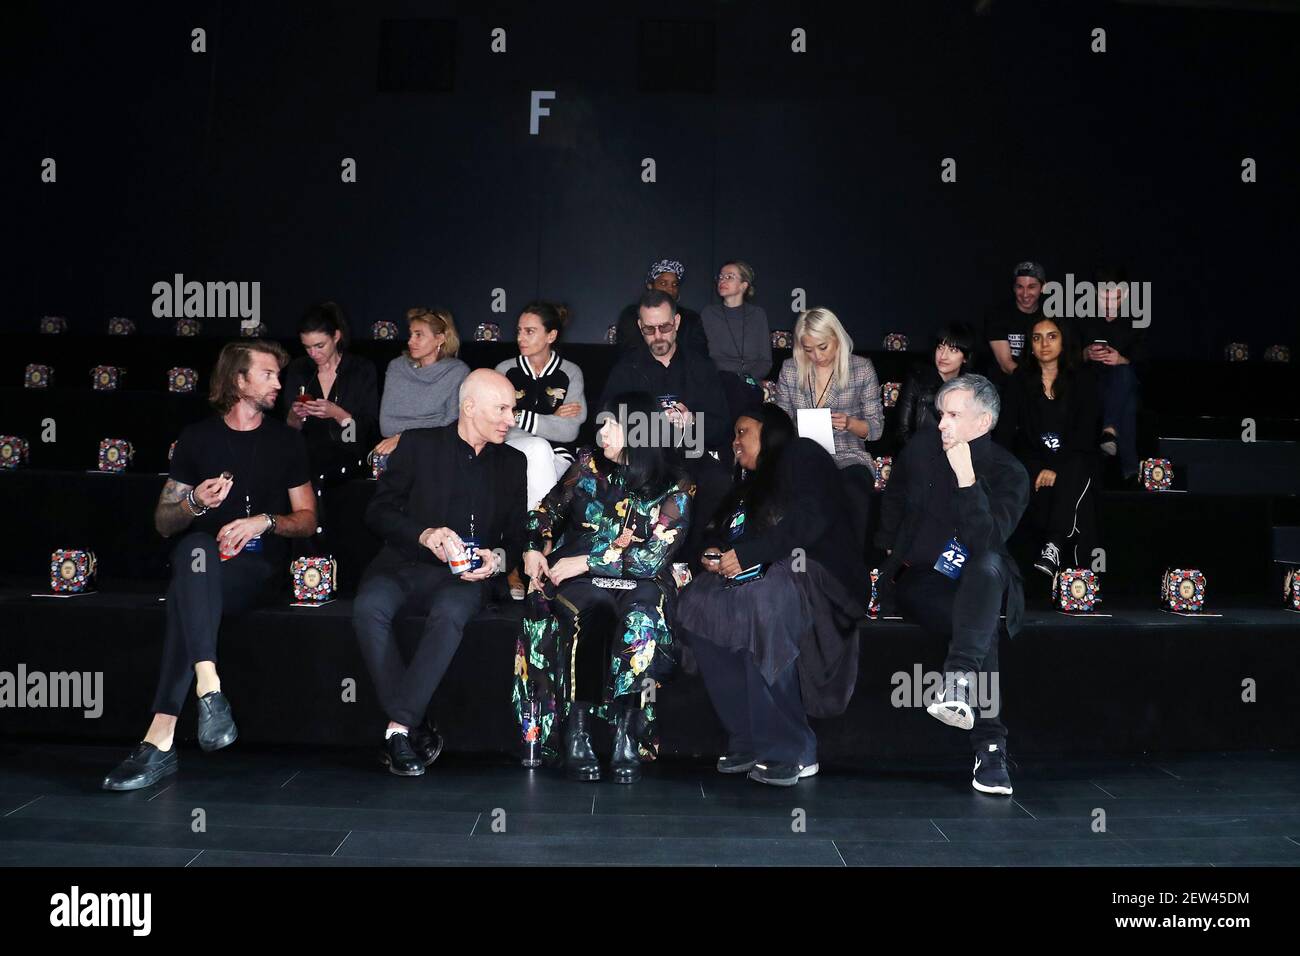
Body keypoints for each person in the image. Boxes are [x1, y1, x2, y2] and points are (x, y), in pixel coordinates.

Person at [102, 341, 318, 791]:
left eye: (279, 375)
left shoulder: (286, 442)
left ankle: (162, 736)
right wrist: (196, 502)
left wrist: (266, 521)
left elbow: (309, 521)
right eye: (268, 375)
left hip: (255, 570)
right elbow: (164, 522)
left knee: (187, 588)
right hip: (203, 565)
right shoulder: (198, 438)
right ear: (238, 381)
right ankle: (205, 692)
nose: (279, 383)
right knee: (194, 548)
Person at [678, 404, 867, 787]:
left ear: (771, 431)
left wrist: (748, 555)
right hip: (763, 573)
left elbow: (809, 521)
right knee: (698, 601)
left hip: (815, 572)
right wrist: (713, 553)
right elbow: (719, 528)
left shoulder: (803, 455)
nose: (734, 442)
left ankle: (793, 748)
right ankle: (747, 738)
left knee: (763, 601)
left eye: (742, 431)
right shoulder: (749, 482)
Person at [352, 370, 527, 777]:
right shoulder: (418, 445)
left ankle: (399, 728)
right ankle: (416, 720)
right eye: (502, 408)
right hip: (404, 565)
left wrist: (497, 558)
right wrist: (423, 533)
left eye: (513, 409)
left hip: (465, 579)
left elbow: (519, 533)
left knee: (450, 614)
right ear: (469, 408)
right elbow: (377, 512)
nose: (511, 419)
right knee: (368, 608)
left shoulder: (512, 462)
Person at [512, 393, 693, 784]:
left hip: (641, 579)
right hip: (583, 583)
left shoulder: (676, 486)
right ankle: (576, 733)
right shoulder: (587, 466)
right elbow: (545, 512)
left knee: (641, 621)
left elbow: (651, 559)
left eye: (611, 424)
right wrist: (532, 548)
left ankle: (626, 735)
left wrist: (587, 561)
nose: (602, 432)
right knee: (592, 612)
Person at [878, 374, 1029, 796]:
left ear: (983, 423)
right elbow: (892, 503)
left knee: (985, 573)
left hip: (982, 574)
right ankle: (991, 746)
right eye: (941, 413)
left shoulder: (1008, 472)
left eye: (953, 415)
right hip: (924, 580)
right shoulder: (921, 450)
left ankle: (961, 681)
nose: (941, 423)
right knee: (977, 626)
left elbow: (985, 541)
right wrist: (882, 560)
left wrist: (966, 478)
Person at [600, 289, 733, 556]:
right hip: (643, 456)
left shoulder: (701, 366)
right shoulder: (627, 369)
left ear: (678, 322)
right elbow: (604, 421)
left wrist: (692, 422)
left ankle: (689, 558)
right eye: (649, 330)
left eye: (665, 327)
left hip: (690, 452)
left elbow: (722, 427)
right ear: (639, 327)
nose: (658, 336)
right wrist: (644, 428)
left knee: (716, 480)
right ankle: (637, 556)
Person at [994, 315, 1101, 578]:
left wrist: (1054, 466)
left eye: (1052, 336)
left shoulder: (1082, 380)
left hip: (1073, 456)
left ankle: (1054, 543)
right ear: (1030, 345)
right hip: (1033, 458)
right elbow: (1006, 429)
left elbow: (1086, 433)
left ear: (1063, 342)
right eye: (1037, 338)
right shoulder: (1020, 379)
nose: (1044, 344)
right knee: (1022, 469)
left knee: (1076, 468)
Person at [772, 307, 884, 552]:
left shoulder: (861, 368)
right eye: (808, 349)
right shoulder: (791, 369)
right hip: (802, 455)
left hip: (848, 456)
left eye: (823, 347)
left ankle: (850, 565)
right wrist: (796, 428)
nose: (816, 356)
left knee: (854, 495)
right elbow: (778, 422)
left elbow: (876, 428)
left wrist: (850, 423)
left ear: (837, 338)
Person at [495, 301, 588, 508]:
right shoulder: (505, 370)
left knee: (540, 454)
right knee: (537, 448)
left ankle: (534, 532)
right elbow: (495, 422)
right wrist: (551, 420)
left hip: (558, 457)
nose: (520, 338)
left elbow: (569, 432)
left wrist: (517, 416)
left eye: (529, 331)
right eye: (519, 331)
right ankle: (542, 534)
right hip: (512, 451)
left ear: (551, 336)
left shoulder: (570, 372)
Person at [282, 301, 379, 478]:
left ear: (336, 336)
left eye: (320, 346)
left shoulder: (361, 369)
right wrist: (295, 416)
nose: (313, 353)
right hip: (306, 464)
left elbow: (367, 431)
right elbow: (290, 429)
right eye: (307, 347)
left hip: (350, 466)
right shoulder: (299, 369)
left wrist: (338, 414)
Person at [374, 307, 470, 457]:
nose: (411, 341)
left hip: (437, 449)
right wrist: (430, 424)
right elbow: (386, 426)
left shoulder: (457, 372)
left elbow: (452, 425)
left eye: (419, 335)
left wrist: (404, 437)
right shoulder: (397, 367)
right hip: (396, 450)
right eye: (411, 334)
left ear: (440, 338)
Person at [1079, 266, 1145, 483]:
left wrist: (1121, 359)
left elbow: (1145, 360)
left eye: (1114, 299)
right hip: (1092, 383)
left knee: (1124, 374)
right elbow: (1068, 357)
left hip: (1123, 382)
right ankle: (1130, 469)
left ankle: (1109, 430)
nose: (1108, 305)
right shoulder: (1083, 317)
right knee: (1129, 403)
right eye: (1103, 298)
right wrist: (1087, 353)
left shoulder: (1135, 319)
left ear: (1124, 296)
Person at [700, 259, 772, 422]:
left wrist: (745, 378)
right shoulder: (709, 314)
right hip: (719, 384)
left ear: (744, 285)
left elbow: (765, 361)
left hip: (749, 384)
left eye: (729, 277)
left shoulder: (758, 315)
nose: (722, 280)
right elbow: (702, 357)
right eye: (720, 277)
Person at [897, 322, 975, 446]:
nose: (943, 356)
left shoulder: (971, 389)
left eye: (953, 350)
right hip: (919, 457)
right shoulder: (917, 380)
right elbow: (902, 432)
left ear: (965, 357)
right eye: (940, 347)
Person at [614, 258, 709, 357]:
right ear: (650, 286)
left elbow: (699, 353)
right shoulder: (633, 315)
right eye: (663, 283)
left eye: (674, 284)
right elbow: (629, 351)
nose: (670, 289)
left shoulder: (691, 318)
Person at [983, 261, 1046, 388]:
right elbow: (1005, 364)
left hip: (1043, 386)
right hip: (1006, 387)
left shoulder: (1050, 317)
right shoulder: (998, 316)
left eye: (1032, 287)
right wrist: (1035, 381)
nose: (1025, 294)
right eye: (1020, 287)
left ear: (1043, 287)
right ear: (1013, 287)